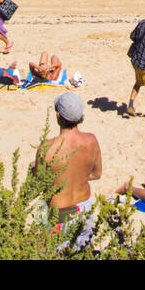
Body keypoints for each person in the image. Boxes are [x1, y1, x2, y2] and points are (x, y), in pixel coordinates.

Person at [35, 93, 103, 230]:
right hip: (84, 209)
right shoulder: (91, 140)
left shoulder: (46, 147)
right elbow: (97, 174)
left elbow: (38, 183)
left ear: (58, 116)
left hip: (58, 215)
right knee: (83, 249)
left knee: (46, 248)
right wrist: (78, 176)